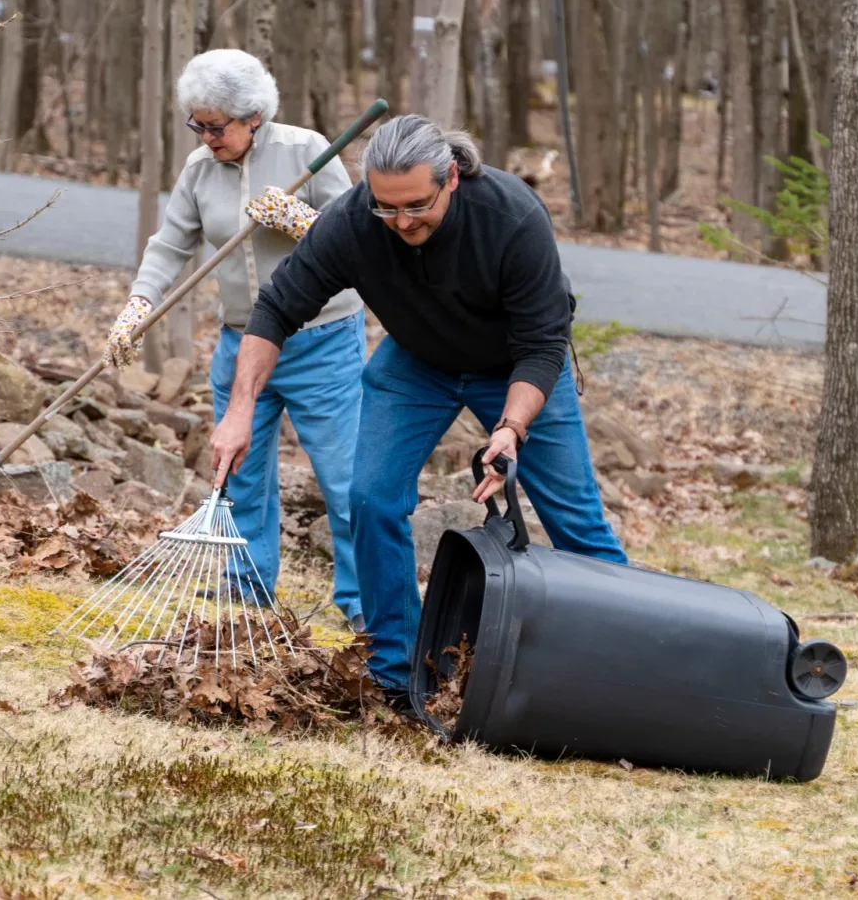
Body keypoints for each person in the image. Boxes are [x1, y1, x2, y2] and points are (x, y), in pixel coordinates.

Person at [207, 114, 628, 704]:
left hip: (518, 367)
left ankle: (627, 669)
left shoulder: (512, 217)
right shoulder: (354, 220)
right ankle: (396, 673)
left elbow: (541, 344)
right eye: (387, 207)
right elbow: (276, 308)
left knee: (577, 524)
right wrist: (239, 412)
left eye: (416, 206)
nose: (402, 221)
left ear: (450, 177)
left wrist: (510, 429)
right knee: (370, 497)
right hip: (418, 364)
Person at [107, 48, 366, 625]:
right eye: (196, 125)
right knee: (240, 470)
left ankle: (362, 600)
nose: (206, 138)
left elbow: (359, 242)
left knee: (344, 477)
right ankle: (247, 583)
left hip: (320, 339)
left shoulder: (307, 150)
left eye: (216, 126)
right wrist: (138, 305)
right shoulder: (200, 169)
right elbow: (170, 245)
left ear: (254, 116)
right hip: (241, 341)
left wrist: (303, 223)